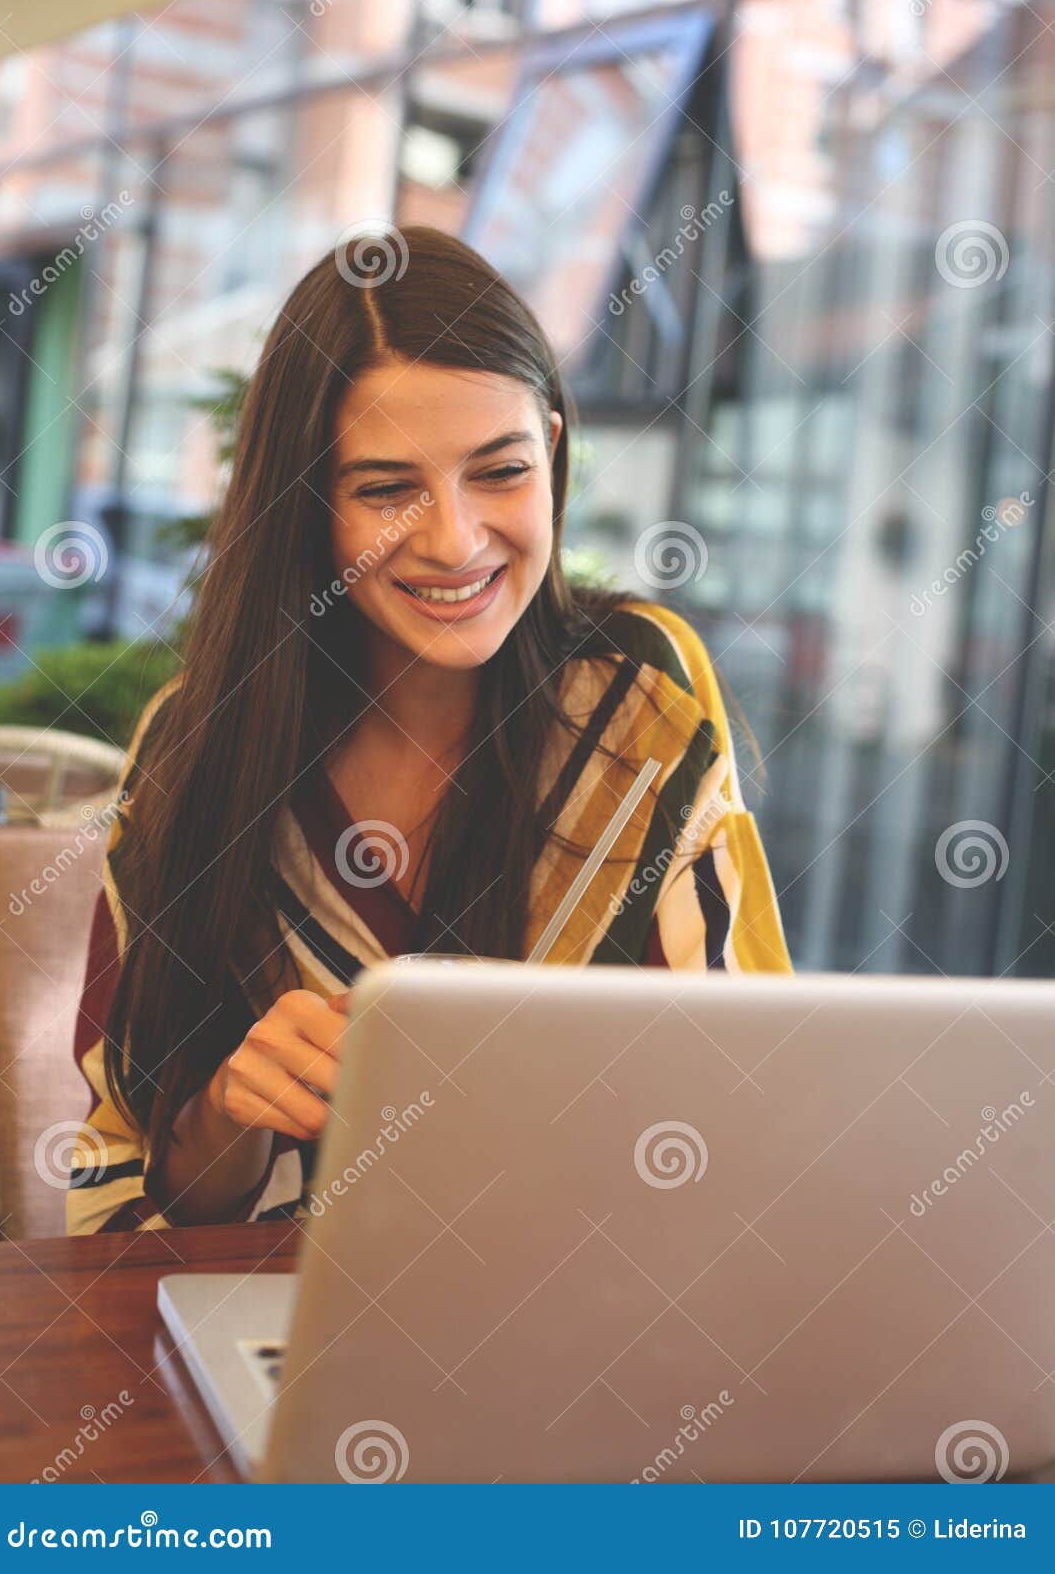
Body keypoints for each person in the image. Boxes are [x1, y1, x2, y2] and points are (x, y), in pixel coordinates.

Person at [65, 225, 792, 1237]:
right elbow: (135, 1183)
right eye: (385, 489)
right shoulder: (196, 742)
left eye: (500, 471)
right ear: (303, 504)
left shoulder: (639, 691)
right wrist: (232, 1110)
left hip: (587, 1297)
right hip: (286, 1307)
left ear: (551, 449)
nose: (454, 540)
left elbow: (747, 1096)